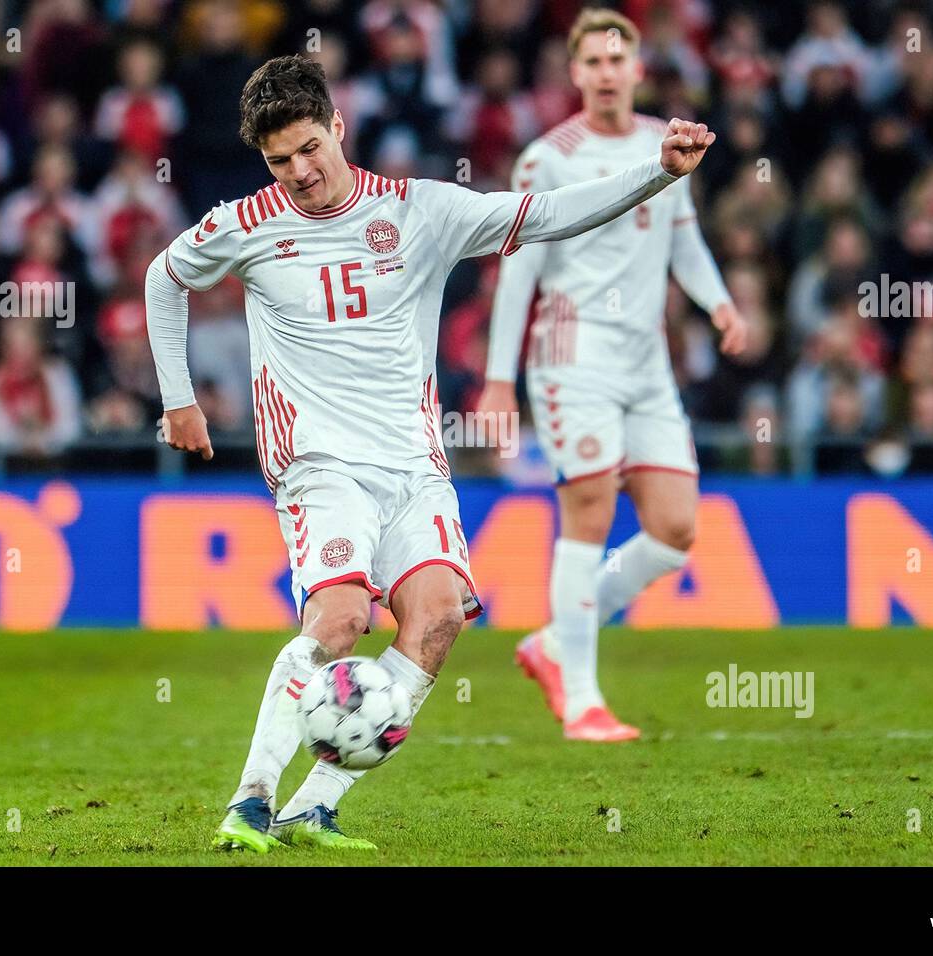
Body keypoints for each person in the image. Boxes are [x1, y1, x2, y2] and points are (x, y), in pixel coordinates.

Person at [145, 54, 716, 852]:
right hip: (319, 464)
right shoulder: (246, 224)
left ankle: (315, 808)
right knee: (341, 619)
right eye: (280, 161)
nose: (301, 173)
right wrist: (178, 397)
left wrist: (655, 172)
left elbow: (548, 211)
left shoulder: (422, 211)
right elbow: (162, 276)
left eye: (311, 148)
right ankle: (250, 801)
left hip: (415, 465)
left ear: (338, 126)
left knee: (441, 615)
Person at [477, 9, 748, 741]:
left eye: (615, 60)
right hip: (572, 355)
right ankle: (584, 703)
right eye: (590, 61)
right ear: (575, 74)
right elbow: (519, 270)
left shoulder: (668, 147)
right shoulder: (547, 159)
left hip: (646, 361)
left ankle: (556, 642)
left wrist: (721, 305)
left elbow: (683, 240)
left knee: (675, 530)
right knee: (590, 511)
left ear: (636, 69)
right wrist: (499, 380)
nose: (604, 73)